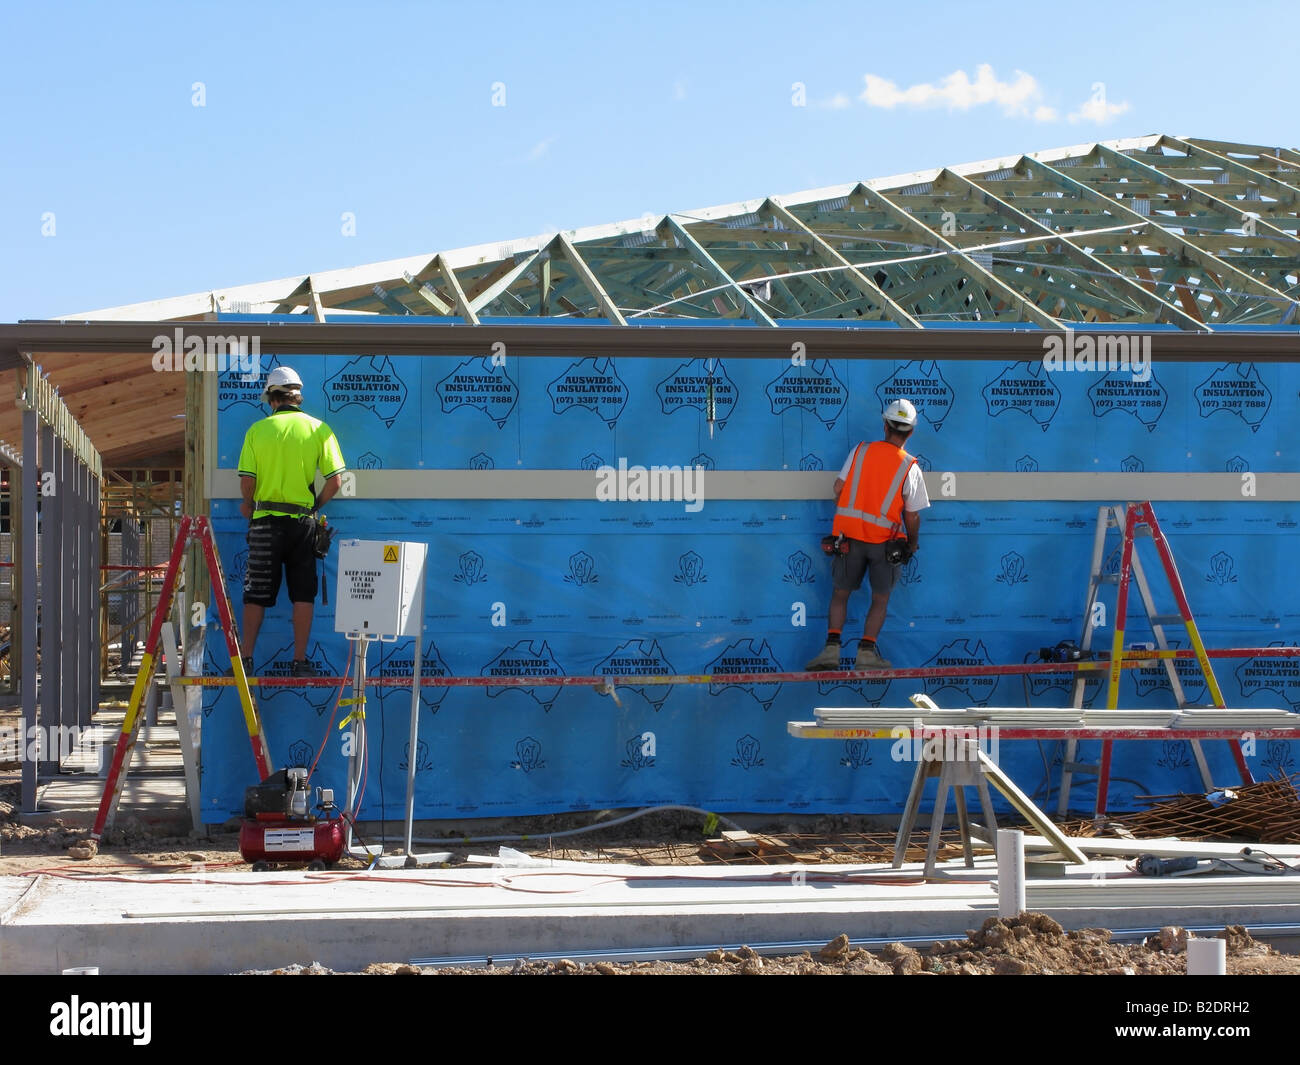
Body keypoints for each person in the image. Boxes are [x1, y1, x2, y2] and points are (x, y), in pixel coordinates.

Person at [235, 366, 346, 677]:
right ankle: (300, 662)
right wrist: (314, 507)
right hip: (302, 524)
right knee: (303, 593)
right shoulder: (318, 429)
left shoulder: (257, 431)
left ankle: (245, 659)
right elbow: (335, 480)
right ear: (298, 397)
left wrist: (249, 505)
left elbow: (247, 482)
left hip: (265, 522)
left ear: (272, 398)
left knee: (256, 591)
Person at [805, 398, 929, 672]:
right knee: (880, 598)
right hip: (885, 544)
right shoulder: (910, 467)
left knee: (840, 594)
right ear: (911, 432)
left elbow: (839, 488)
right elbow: (912, 515)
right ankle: (866, 653)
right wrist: (912, 543)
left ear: (885, 426)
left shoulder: (860, 452)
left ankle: (830, 651)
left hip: (848, 539)